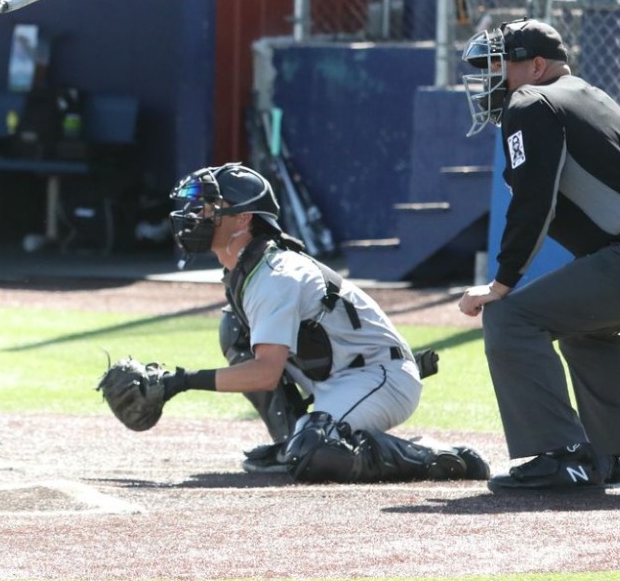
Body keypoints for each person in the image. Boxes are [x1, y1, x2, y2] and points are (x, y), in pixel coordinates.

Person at [458, 18, 620, 493]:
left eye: (502, 64)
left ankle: (559, 455)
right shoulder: (588, 94)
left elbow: (533, 201)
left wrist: (501, 285)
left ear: (536, 66)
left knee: (510, 319)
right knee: (584, 329)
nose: (495, 76)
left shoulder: (531, 100)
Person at [99, 163, 489, 484]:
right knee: (234, 330)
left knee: (315, 454)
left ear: (243, 219)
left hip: (381, 378)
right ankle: (290, 438)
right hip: (340, 376)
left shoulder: (275, 275)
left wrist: (177, 382)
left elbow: (266, 373)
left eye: (210, 206)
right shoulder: (244, 268)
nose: (197, 215)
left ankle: (435, 456)